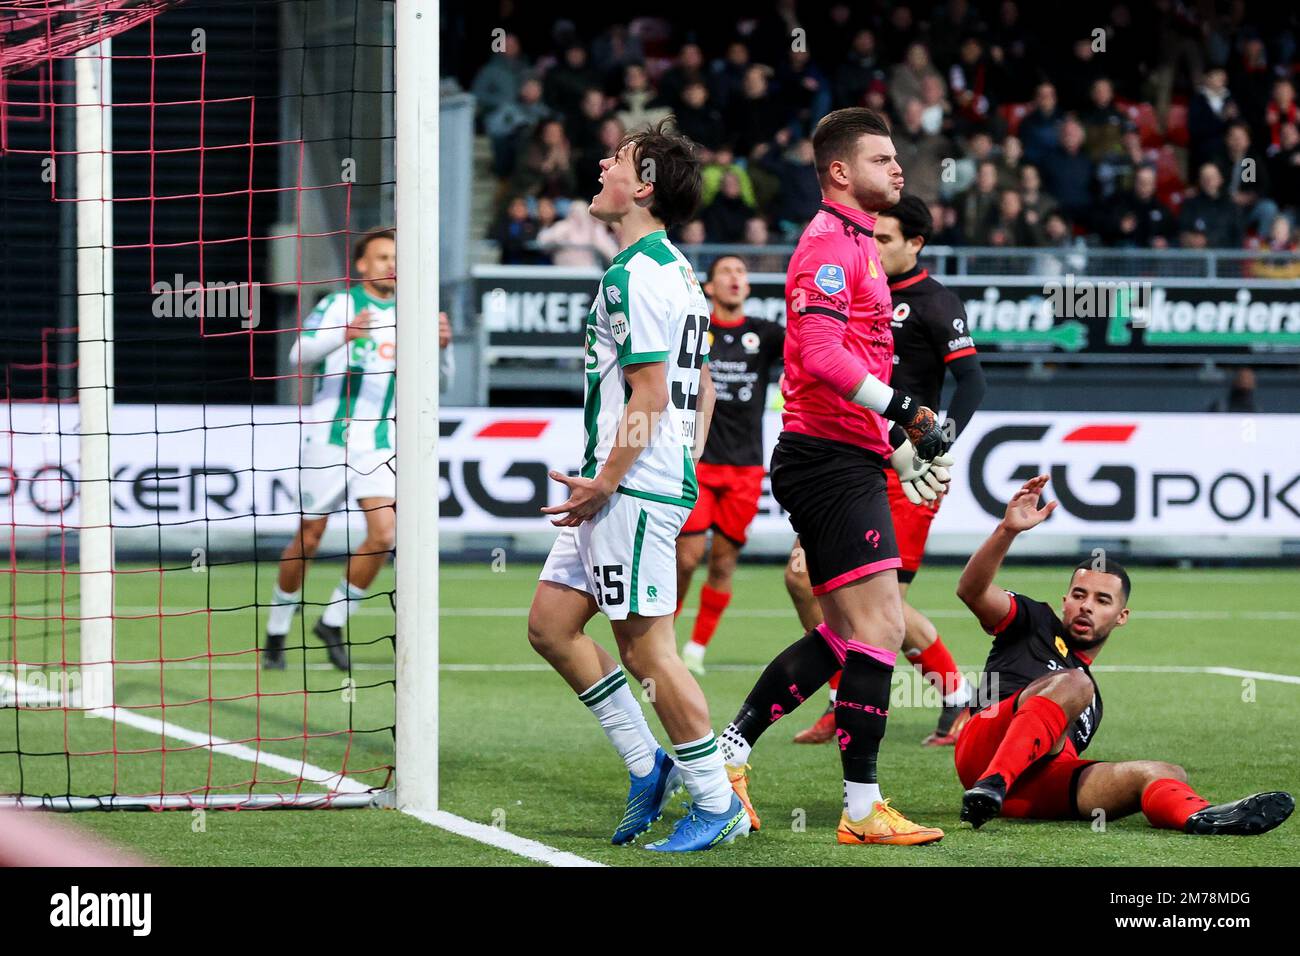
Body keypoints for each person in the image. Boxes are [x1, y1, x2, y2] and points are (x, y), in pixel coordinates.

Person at [715, 108, 950, 846]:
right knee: (877, 626)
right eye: (883, 159)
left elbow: (854, 357)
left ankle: (728, 754)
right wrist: (906, 410)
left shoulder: (856, 244)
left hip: (843, 452)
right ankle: (860, 809)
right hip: (825, 458)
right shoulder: (828, 245)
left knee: (853, 633)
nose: (899, 168)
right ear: (841, 172)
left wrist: (892, 441)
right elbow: (817, 353)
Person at [526, 118, 749, 853]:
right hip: (636, 482)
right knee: (552, 627)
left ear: (643, 185)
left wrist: (612, 481)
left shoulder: (633, 274)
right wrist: (679, 460)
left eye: (616, 159)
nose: (601, 163)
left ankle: (716, 803)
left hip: (630, 491)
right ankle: (647, 764)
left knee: (649, 649)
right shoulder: (677, 269)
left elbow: (651, 394)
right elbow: (701, 386)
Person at [954, 475, 1294, 835]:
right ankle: (993, 782)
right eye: (1080, 595)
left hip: (1032, 788)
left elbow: (1058, 751)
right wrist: (1007, 531)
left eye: (1102, 601)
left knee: (1164, 772)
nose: (1086, 607)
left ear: (1121, 616)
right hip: (985, 751)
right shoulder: (1033, 620)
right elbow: (971, 591)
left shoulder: (1093, 700)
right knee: (1074, 683)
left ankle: (1200, 817)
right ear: (1064, 601)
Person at [789, 196, 985, 748]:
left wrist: (934, 442)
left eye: (886, 239)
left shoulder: (935, 301)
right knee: (806, 580)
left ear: (915, 244)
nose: (873, 248)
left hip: (905, 466)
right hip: (856, 454)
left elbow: (973, 382)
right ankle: (839, 696)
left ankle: (955, 696)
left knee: (880, 602)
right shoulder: (857, 289)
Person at [266, 228, 399, 671]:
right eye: (381, 257)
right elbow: (297, 354)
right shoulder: (340, 304)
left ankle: (333, 620)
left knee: (384, 534)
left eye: (395, 257)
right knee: (310, 537)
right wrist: (342, 336)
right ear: (362, 265)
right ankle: (277, 630)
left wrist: (442, 350)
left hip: (379, 443)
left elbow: (434, 380)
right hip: (329, 437)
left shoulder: (412, 311)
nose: (390, 264)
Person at [676, 255, 784, 675]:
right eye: (726, 272)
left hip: (745, 467)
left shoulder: (764, 333)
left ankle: (696, 650)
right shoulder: (696, 331)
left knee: (722, 562)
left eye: (742, 272)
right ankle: (662, 636)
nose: (736, 278)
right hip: (699, 460)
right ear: (709, 287)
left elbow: (811, 347)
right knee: (686, 557)